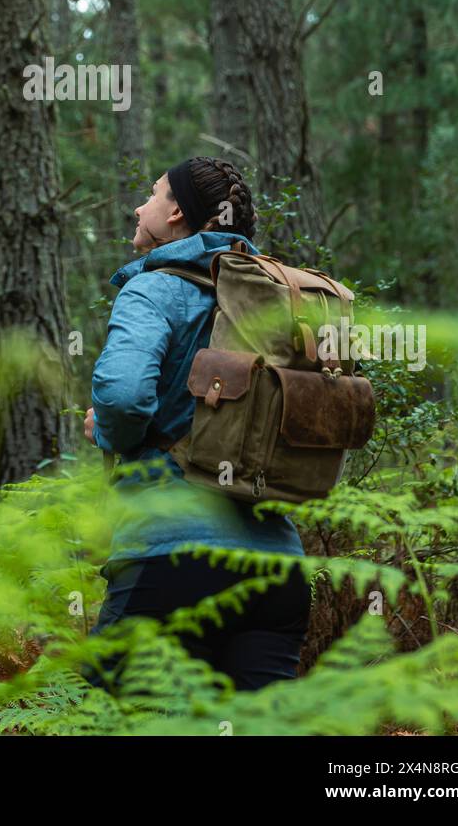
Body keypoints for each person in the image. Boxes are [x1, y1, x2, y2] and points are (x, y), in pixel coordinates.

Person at [82, 157, 312, 692]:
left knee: (98, 715)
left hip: (170, 558)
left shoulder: (153, 289)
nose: (139, 207)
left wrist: (108, 432)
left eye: (153, 194)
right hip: (278, 570)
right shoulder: (275, 299)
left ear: (177, 213)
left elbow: (122, 396)